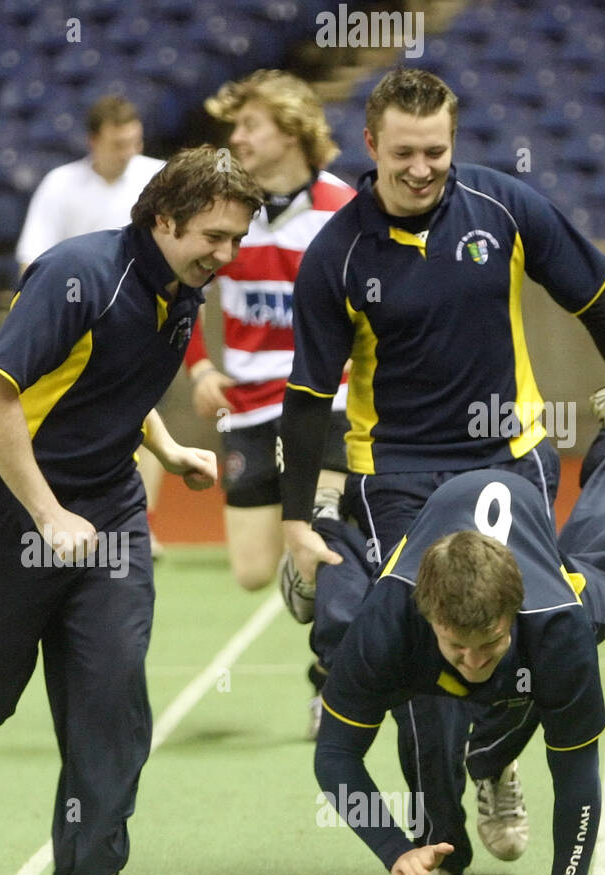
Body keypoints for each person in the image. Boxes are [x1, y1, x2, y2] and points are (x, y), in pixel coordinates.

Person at [280, 68, 605, 860]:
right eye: (404, 154)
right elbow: (306, 394)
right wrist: (295, 519)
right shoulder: (336, 254)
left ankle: (494, 761)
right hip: (395, 472)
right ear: (370, 146)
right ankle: (437, 837)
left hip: (510, 455)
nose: (422, 168)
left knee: (535, 626)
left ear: (453, 141)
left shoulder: (505, 207)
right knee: (428, 651)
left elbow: (599, 302)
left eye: (436, 150)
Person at [0, 147, 263, 875]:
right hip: (7, 507)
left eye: (236, 239)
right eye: (213, 235)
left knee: (112, 689)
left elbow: (112, 383)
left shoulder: (182, 286)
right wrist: (45, 512)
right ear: (162, 219)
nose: (226, 255)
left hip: (109, 513)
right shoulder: (79, 277)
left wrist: (166, 451)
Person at [314, 394, 605, 875]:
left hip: (536, 556)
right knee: (339, 632)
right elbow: (335, 755)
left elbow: (576, 767)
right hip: (418, 568)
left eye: (490, 645)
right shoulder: (392, 619)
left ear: (515, 616)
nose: (472, 662)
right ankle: (325, 522)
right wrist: (392, 846)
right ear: (428, 618)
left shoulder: (560, 624)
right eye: (457, 647)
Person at [185, 70, 354, 736]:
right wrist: (200, 365)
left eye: (250, 125)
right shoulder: (228, 210)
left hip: (327, 403)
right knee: (255, 572)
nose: (238, 138)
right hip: (249, 409)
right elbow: (181, 288)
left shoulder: (343, 207)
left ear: (291, 130)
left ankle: (330, 681)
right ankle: (320, 570)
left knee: (323, 541)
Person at [15, 95, 168, 555]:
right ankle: (61, 512)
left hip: (144, 323)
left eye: (134, 141)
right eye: (119, 143)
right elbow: (31, 258)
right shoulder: (60, 185)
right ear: (93, 141)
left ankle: (142, 521)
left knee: (145, 413)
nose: (128, 151)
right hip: (76, 326)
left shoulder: (157, 178)